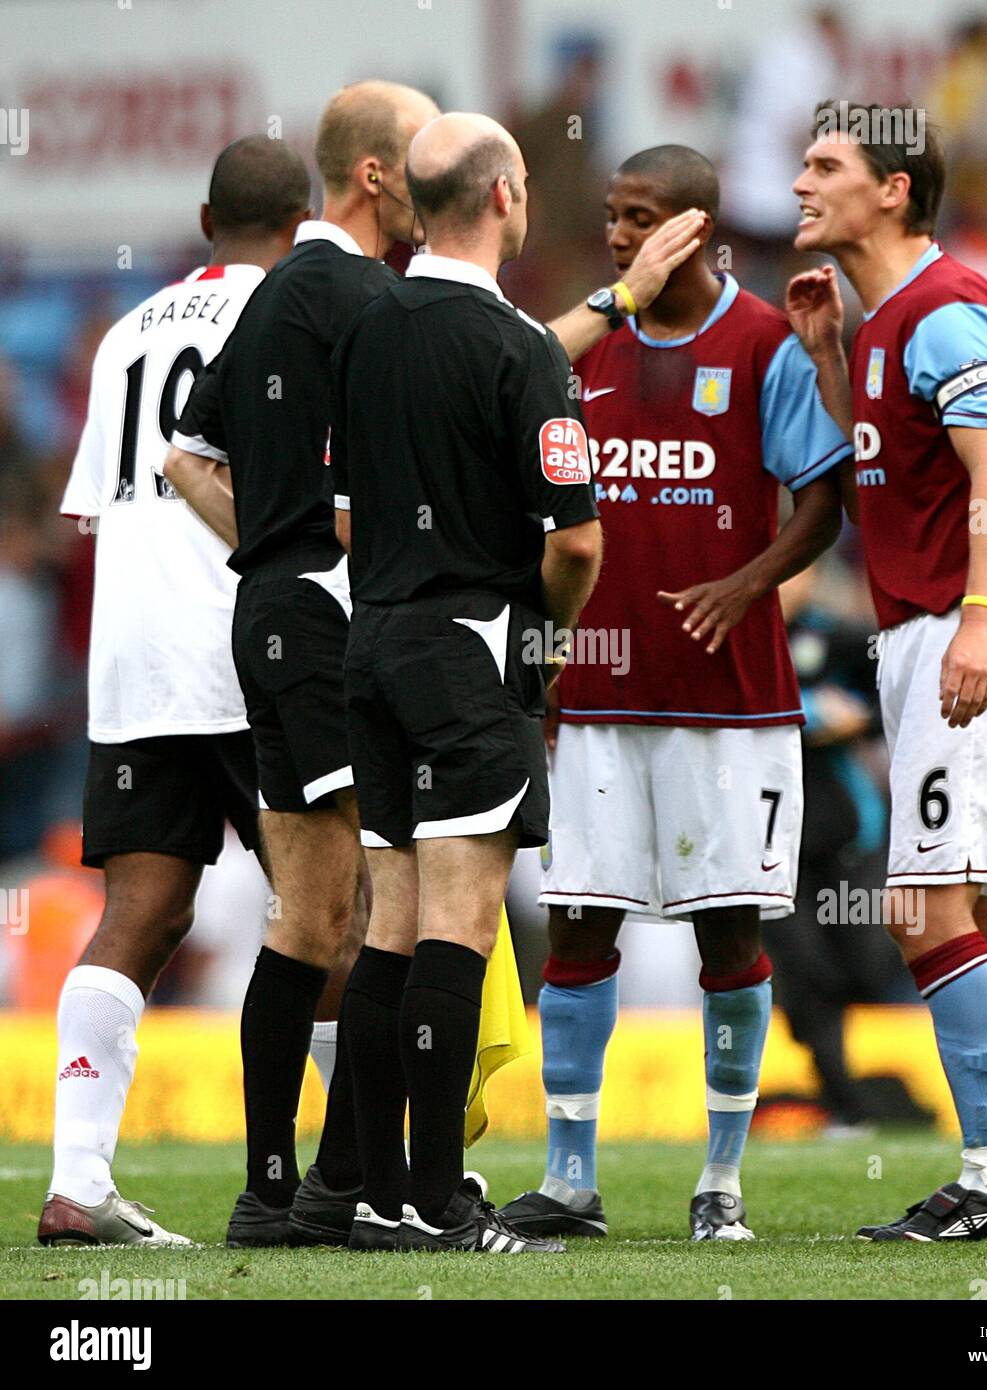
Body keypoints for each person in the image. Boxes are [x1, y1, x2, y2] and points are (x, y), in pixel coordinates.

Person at [498, 145, 851, 1243]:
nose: (615, 234)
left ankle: (721, 1181)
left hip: (730, 704)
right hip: (598, 694)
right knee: (577, 924)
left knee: (728, 934)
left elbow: (824, 496)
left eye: (636, 216)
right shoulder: (583, 352)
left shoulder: (759, 345)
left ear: (691, 228)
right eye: (609, 215)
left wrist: (747, 583)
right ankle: (569, 1179)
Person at [786, 99, 987, 1240]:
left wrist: (980, 616)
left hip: (971, 625)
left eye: (826, 164)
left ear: (893, 187)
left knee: (919, 902)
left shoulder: (946, 311)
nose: (802, 183)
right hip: (942, 628)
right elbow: (889, 478)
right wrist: (825, 360)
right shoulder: (887, 324)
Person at [164, 80, 441, 1248]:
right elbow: (353, 497)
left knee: (311, 915)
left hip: (267, 619)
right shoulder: (373, 301)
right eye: (421, 164)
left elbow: (188, 454)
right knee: (384, 902)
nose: (437, 189)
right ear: (377, 175)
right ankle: (356, 1185)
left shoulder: (277, 294)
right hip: (327, 625)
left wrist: (268, 552)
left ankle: (274, 1191)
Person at [331, 112, 603, 1255]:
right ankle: (442, 1199)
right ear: (505, 195)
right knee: (459, 924)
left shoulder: (358, 326)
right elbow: (577, 542)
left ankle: (375, 1188)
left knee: (389, 926)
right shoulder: (522, 347)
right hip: (469, 643)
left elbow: (339, 509)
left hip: (370, 640)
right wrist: (541, 633)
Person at [40, 135, 312, 1247]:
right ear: (305, 225)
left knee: (140, 914)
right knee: (325, 916)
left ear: (204, 218)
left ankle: (77, 1181)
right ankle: (345, 1176)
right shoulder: (300, 315)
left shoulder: (121, 336)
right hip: (253, 656)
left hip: (133, 665)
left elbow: (96, 512)